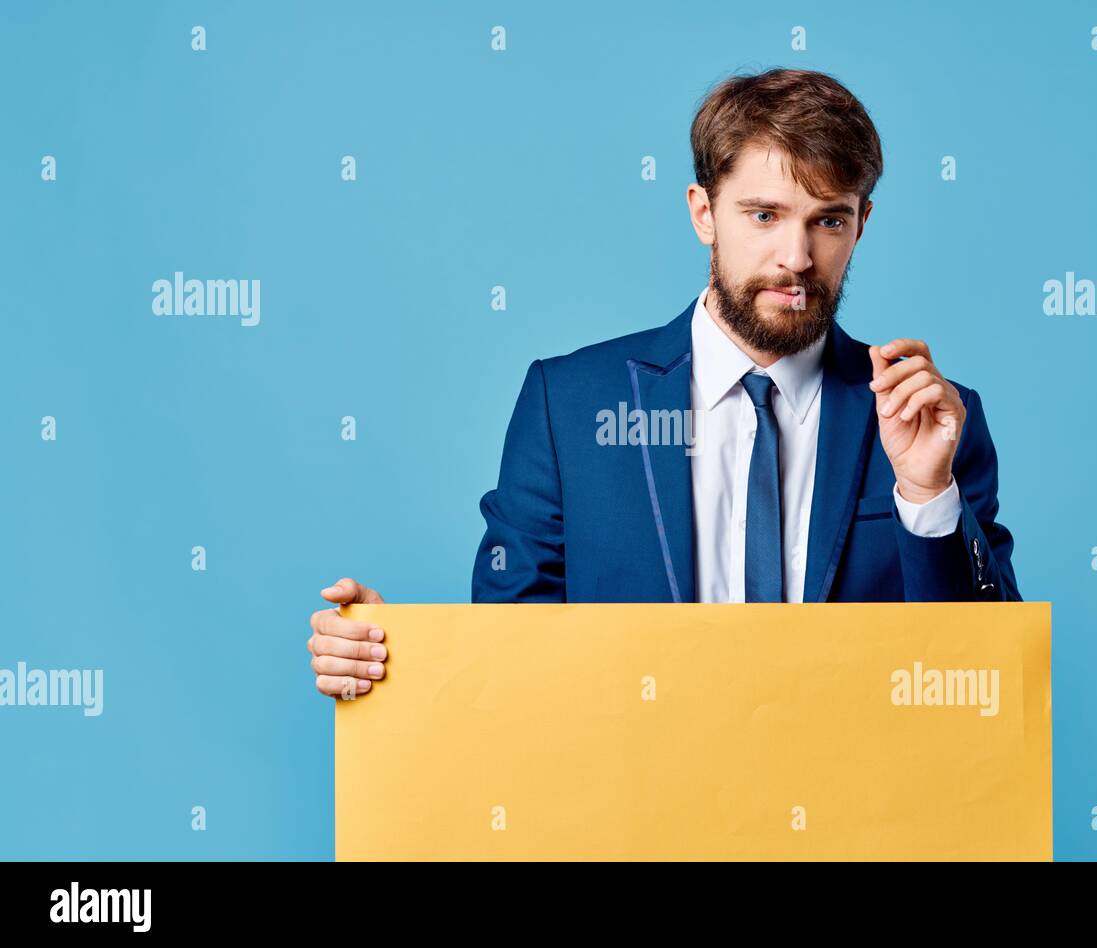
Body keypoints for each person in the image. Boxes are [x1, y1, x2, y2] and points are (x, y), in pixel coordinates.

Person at [308, 68, 1020, 698]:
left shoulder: (929, 419)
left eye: (827, 220)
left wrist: (928, 500)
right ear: (703, 212)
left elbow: (982, 687)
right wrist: (394, 661)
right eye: (765, 215)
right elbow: (512, 664)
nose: (797, 258)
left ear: (860, 225)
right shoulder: (570, 407)